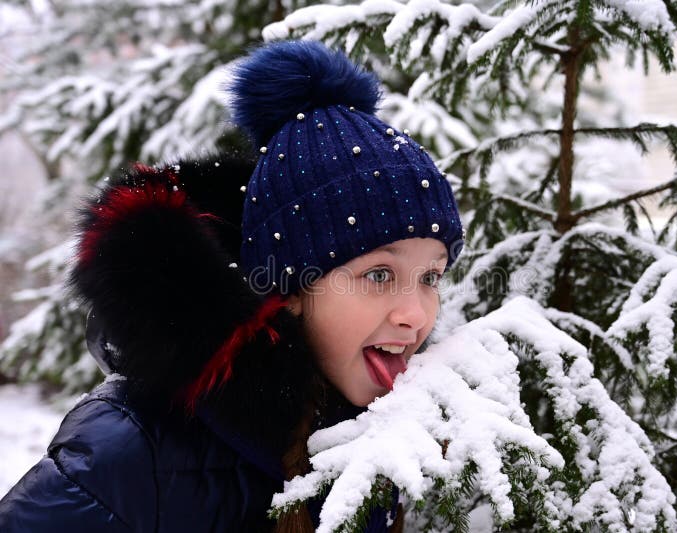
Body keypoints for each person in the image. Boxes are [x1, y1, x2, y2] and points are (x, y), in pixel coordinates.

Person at [0, 40, 463, 532]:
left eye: (431, 276)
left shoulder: (377, 435)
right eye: (378, 274)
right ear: (291, 291)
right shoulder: (132, 457)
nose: (416, 313)